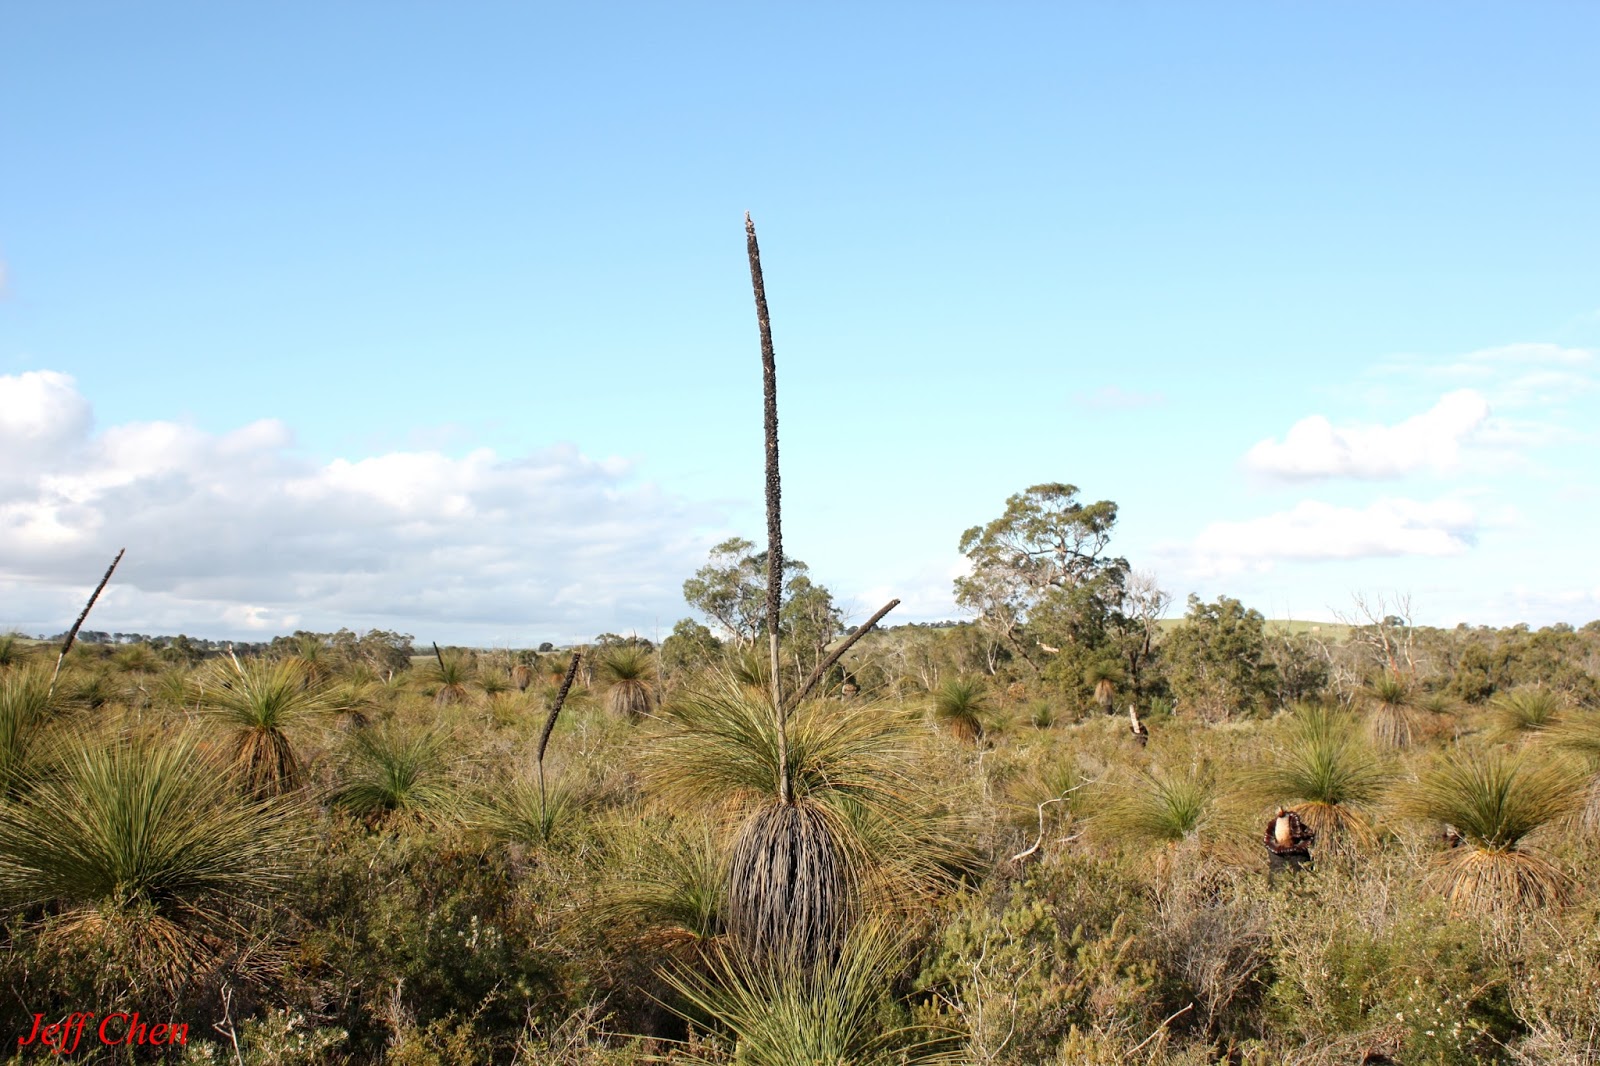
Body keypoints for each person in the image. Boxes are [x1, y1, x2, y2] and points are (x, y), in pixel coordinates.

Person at [1264, 806, 1315, 881]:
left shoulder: (1300, 850)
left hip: (1298, 860)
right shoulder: (1274, 835)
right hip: (1279, 866)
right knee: (1279, 874)